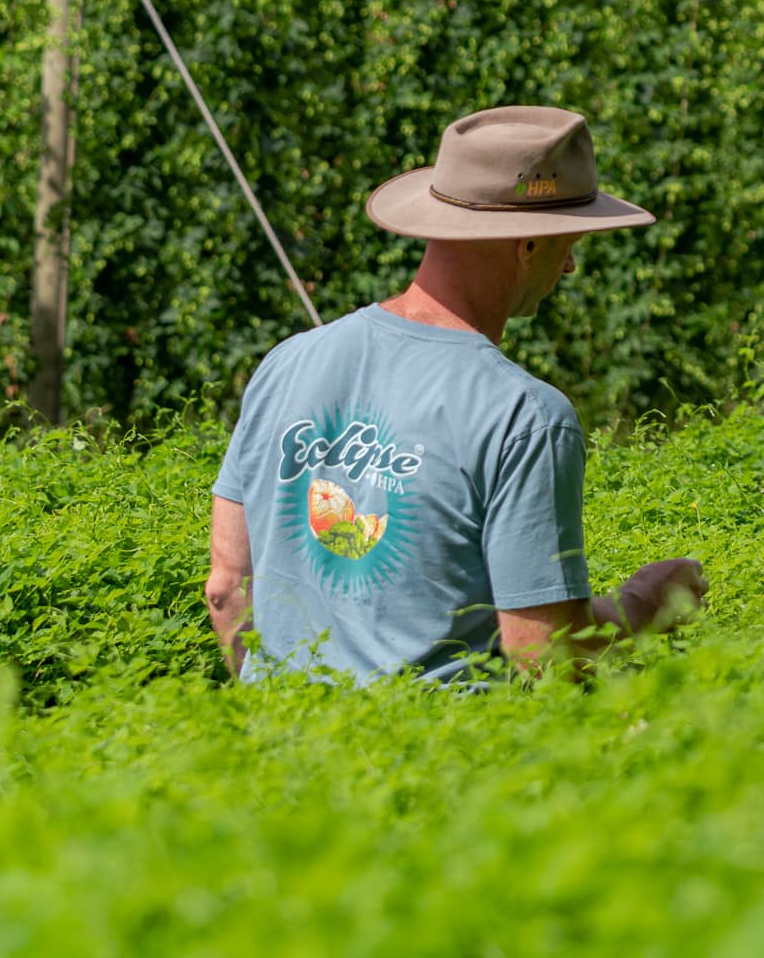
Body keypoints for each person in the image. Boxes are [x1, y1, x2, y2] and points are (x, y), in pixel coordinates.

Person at [204, 106, 709, 683]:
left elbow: (226, 589)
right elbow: (542, 652)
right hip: (427, 760)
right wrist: (646, 602)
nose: (569, 266)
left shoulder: (285, 363)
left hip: (270, 754)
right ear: (525, 243)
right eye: (566, 242)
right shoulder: (525, 415)